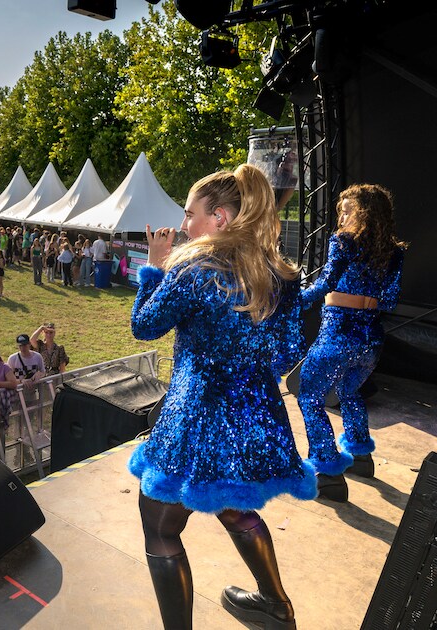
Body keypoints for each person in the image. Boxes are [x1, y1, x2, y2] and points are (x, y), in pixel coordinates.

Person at [129, 164, 313, 629]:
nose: (184, 225)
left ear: (221, 218)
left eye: (190, 214)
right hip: (256, 416)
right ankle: (276, 605)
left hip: (198, 418)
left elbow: (144, 326)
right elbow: (289, 351)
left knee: (160, 525)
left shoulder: (195, 268)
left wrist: (154, 265)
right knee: (236, 506)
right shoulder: (282, 275)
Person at [297, 184, 407, 501]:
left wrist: (295, 301)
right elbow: (390, 299)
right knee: (349, 391)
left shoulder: (343, 241)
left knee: (309, 397)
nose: (342, 218)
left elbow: (326, 283)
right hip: (371, 340)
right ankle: (360, 457)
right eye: (340, 211)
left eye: (347, 211)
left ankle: (328, 473)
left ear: (365, 213)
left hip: (339, 333)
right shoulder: (394, 251)